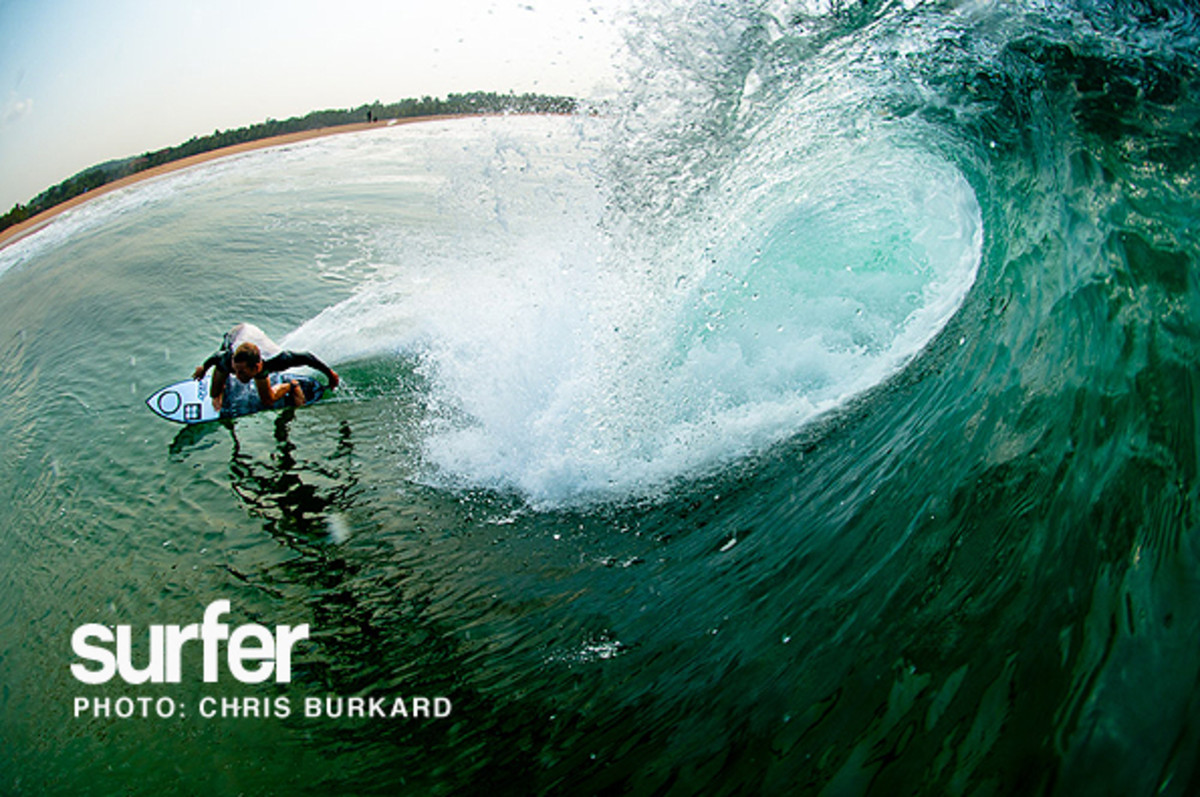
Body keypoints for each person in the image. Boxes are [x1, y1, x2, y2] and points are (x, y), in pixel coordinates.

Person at [192, 323, 339, 414]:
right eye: (235, 371)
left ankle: (291, 386)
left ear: (256, 367)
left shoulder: (276, 361)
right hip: (237, 333)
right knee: (214, 392)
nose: (236, 376)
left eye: (241, 372)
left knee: (268, 400)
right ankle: (221, 390)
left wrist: (330, 374)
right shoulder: (228, 359)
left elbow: (306, 357)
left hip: (256, 339)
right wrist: (203, 369)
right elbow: (215, 357)